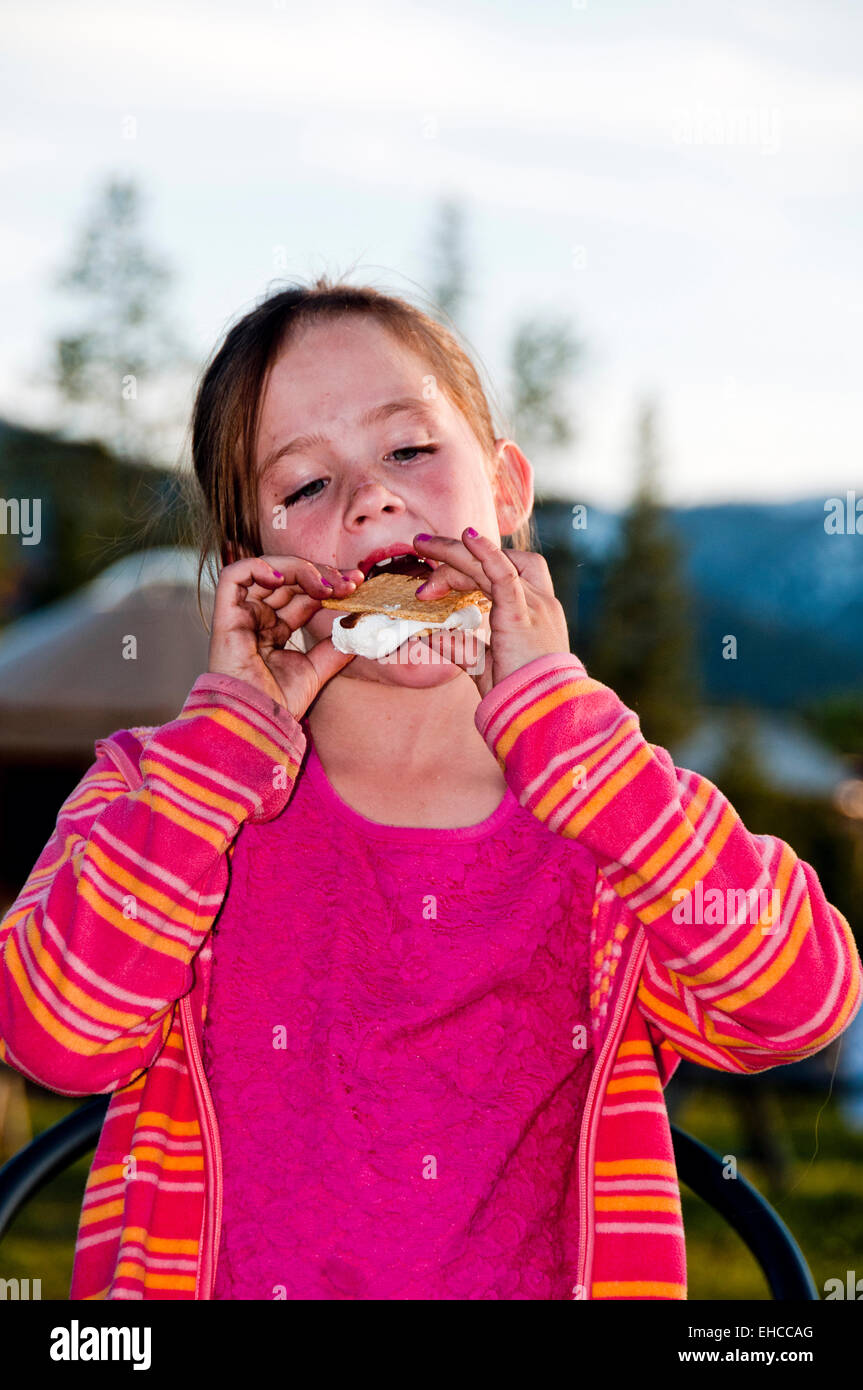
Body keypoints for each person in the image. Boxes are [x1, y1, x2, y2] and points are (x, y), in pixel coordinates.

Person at [0, 277, 860, 1301]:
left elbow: (798, 1003)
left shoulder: (612, 820)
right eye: (304, 486)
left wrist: (573, 738)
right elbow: (59, 1036)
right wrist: (225, 745)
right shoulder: (163, 794)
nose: (369, 496)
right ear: (252, 564)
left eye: (408, 449)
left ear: (505, 489)